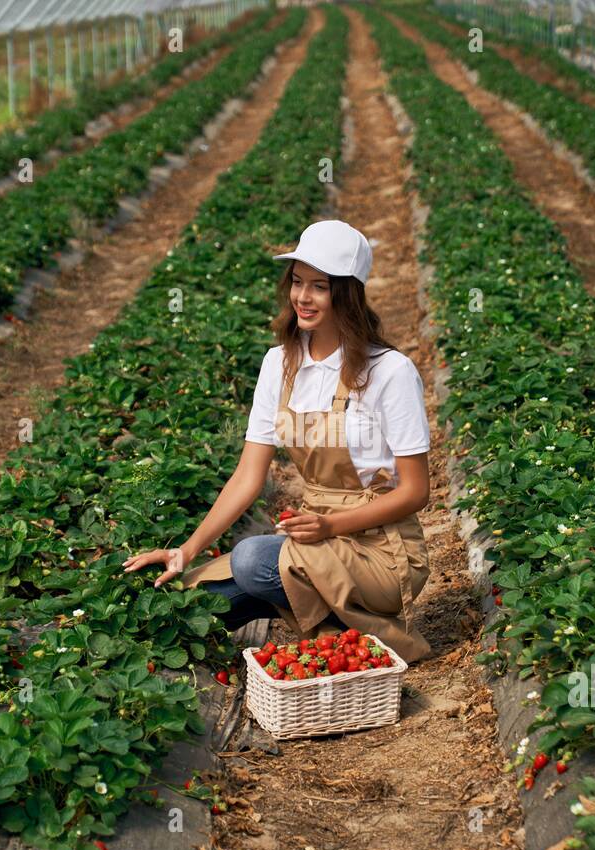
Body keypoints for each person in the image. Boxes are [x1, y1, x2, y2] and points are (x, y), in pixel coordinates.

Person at [120, 220, 434, 663]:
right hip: (312, 543)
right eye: (297, 282)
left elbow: (416, 491)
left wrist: (329, 527)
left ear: (347, 293)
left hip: (380, 552)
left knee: (251, 560)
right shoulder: (279, 365)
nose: (302, 297)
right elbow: (249, 476)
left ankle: (363, 628)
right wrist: (185, 550)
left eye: (319, 287)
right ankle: (327, 623)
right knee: (185, 604)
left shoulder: (389, 372)